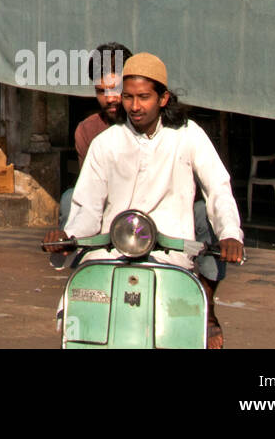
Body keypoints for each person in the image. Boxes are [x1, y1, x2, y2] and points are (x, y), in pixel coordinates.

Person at [43, 52, 244, 348]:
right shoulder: (106, 143)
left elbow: (218, 187)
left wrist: (229, 235)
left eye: (144, 97)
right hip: (112, 253)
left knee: (181, 330)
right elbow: (86, 207)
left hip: (171, 254)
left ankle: (208, 316)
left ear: (163, 98)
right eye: (128, 97)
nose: (135, 106)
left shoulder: (188, 136)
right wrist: (67, 237)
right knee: (79, 319)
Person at [58, 43, 127, 228]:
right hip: (103, 203)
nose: (110, 98)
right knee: (69, 199)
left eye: (116, 88)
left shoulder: (151, 125)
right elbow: (88, 189)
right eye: (101, 91)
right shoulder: (87, 130)